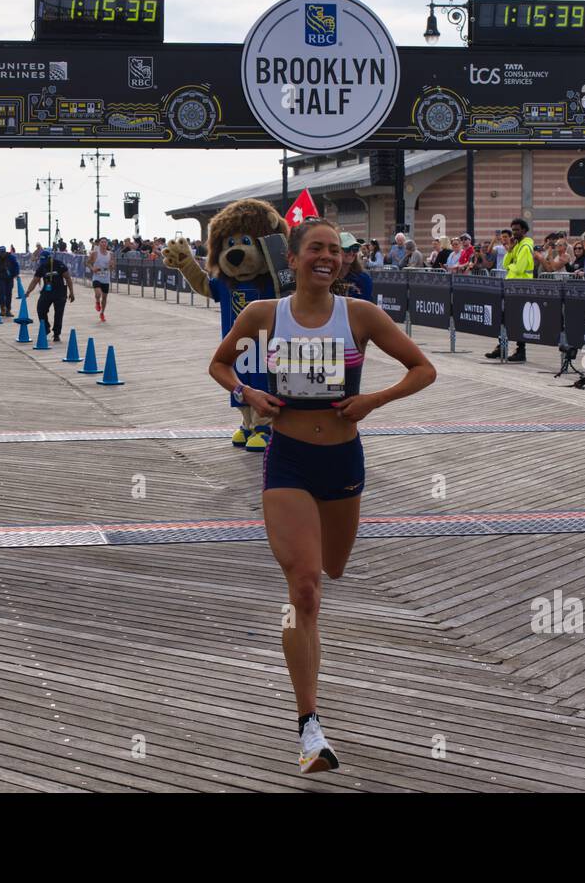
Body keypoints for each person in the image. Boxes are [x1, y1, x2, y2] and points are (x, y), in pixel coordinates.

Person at [208, 216, 435, 774]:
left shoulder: (360, 316)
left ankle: (311, 707)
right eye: (315, 248)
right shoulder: (264, 315)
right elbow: (218, 363)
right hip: (286, 459)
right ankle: (309, 726)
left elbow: (423, 369)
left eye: (335, 249)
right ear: (292, 259)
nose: (327, 257)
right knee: (304, 587)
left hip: (342, 459)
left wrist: (372, 401)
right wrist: (247, 391)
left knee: (332, 568)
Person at [487, 224, 536, 361]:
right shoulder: (518, 245)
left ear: (525, 231)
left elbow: (519, 268)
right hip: (512, 286)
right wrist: (511, 250)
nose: (514, 232)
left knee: (518, 320)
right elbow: (505, 263)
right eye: (513, 230)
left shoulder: (526, 247)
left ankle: (521, 351)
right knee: (505, 317)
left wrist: (510, 266)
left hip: (522, 287)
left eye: (517, 230)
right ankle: (502, 346)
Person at [24, 247, 76, 341]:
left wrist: (71, 292)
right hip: (47, 291)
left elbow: (68, 278)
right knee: (40, 309)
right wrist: (28, 291)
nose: (44, 263)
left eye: (45, 260)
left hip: (60, 292)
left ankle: (56, 334)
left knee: (58, 314)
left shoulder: (59, 265)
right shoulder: (42, 267)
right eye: (42, 261)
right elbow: (35, 280)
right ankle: (46, 327)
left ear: (50, 258)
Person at [335, 233, 373, 300]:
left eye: (355, 249)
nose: (351, 252)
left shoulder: (363, 279)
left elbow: (365, 307)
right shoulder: (328, 277)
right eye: (347, 248)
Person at [0, 246, 20, 316]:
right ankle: (3, 309)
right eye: (1, 252)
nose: (2, 254)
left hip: (9, 278)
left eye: (3, 252)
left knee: (9, 294)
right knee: (1, 293)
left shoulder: (11, 257)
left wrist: (16, 274)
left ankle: (8, 310)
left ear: (5, 251)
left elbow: (16, 265)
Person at [90, 237, 114, 322]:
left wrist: (111, 265)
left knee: (104, 298)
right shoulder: (95, 253)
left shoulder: (110, 254)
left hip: (106, 278)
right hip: (97, 277)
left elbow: (112, 267)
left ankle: (102, 313)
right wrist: (93, 268)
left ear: (107, 244)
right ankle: (97, 302)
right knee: (98, 293)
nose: (103, 244)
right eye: (102, 242)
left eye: (105, 242)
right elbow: (88, 263)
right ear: (99, 244)